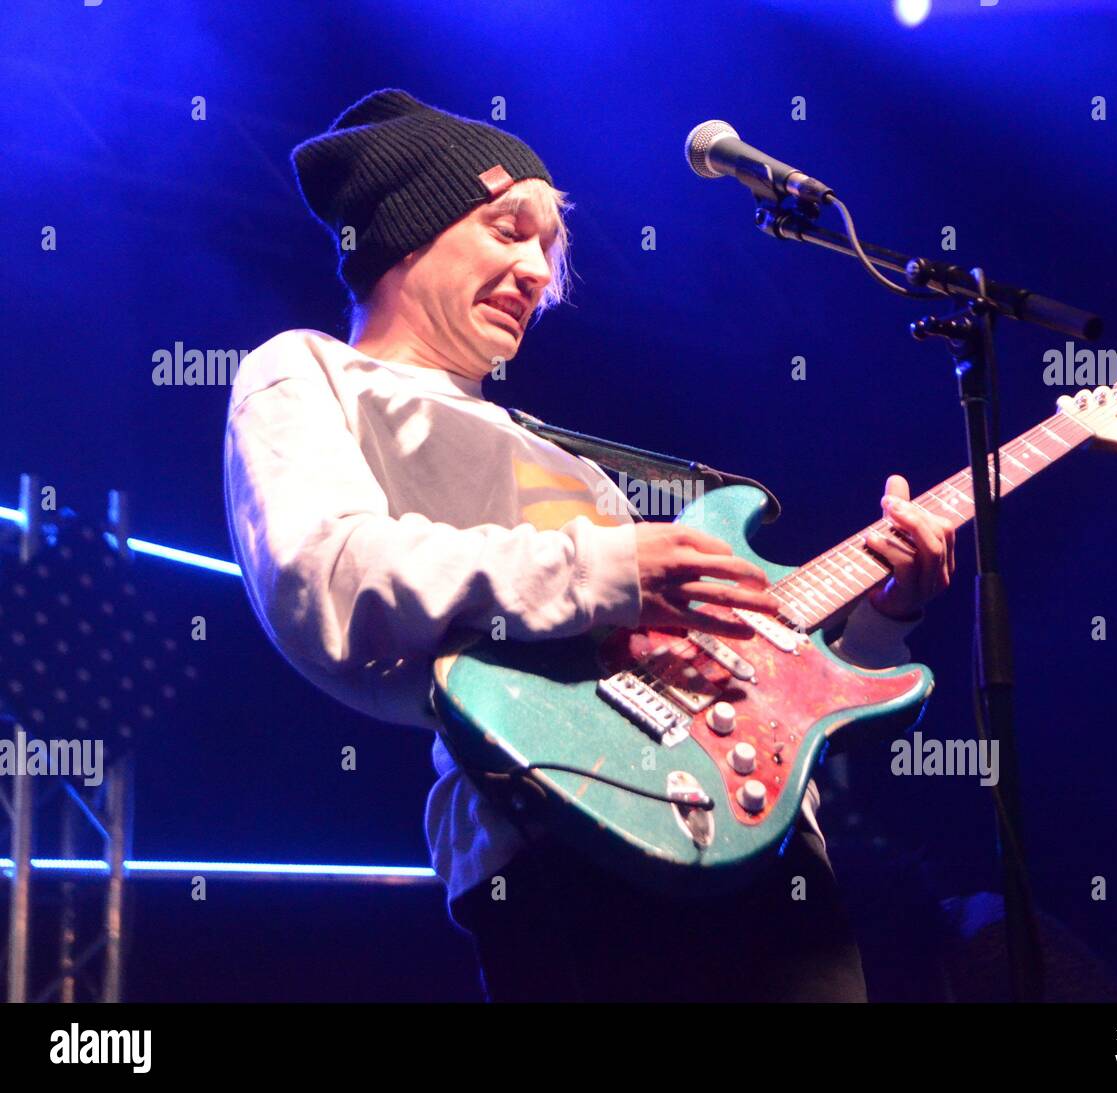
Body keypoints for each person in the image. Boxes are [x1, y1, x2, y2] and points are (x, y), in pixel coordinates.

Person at [223, 88, 956, 1002]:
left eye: (547, 248)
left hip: (763, 848)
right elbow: (326, 577)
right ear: (406, 233)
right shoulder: (307, 371)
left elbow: (751, 687)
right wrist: (608, 567)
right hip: (559, 843)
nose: (537, 270)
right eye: (507, 229)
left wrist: (884, 622)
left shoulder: (572, 468)